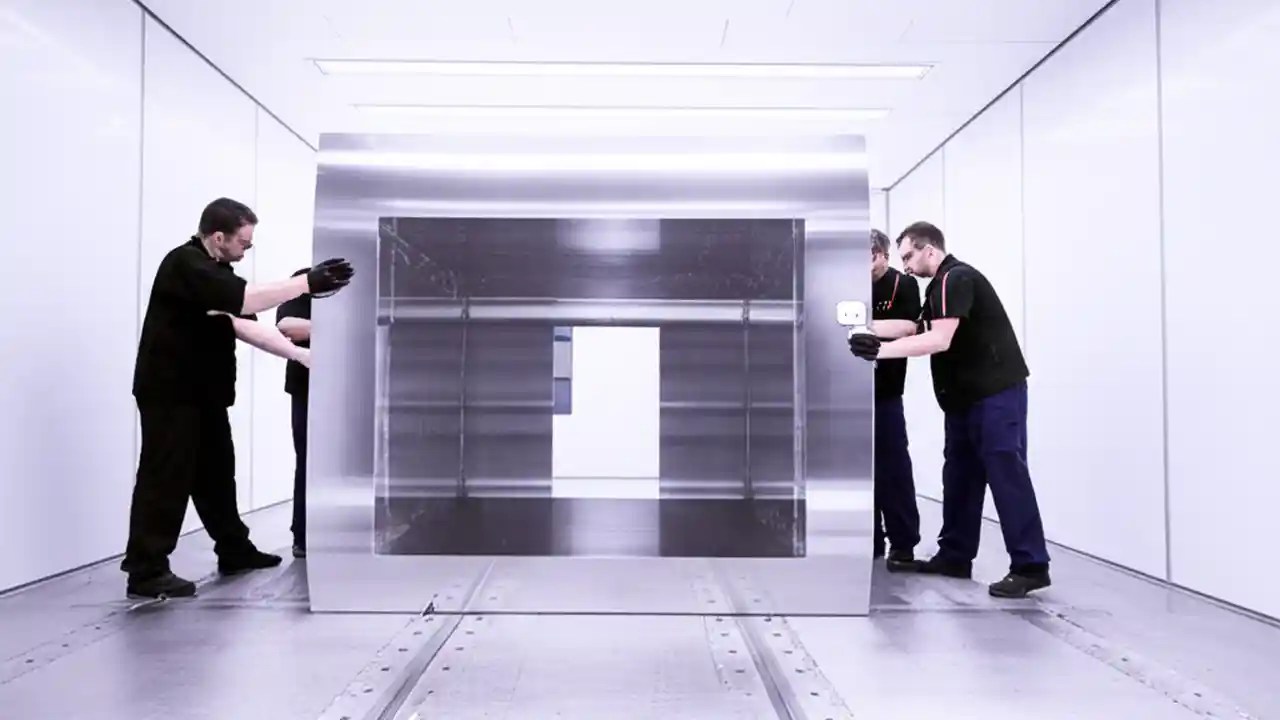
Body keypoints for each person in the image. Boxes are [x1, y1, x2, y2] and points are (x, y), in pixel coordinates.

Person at [123, 197, 354, 599]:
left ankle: (234, 548)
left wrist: (301, 354)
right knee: (166, 477)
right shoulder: (186, 265)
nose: (248, 249)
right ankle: (146, 569)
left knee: (216, 473)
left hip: (203, 394)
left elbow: (246, 325)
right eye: (244, 242)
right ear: (218, 237)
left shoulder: (215, 272)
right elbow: (248, 300)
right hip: (171, 393)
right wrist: (306, 283)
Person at [849, 221, 1050, 598]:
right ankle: (955, 555)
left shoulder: (956, 278)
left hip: (995, 395)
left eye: (908, 255)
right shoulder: (938, 289)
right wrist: (862, 328)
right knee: (959, 477)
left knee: (1006, 472)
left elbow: (938, 340)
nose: (904, 264)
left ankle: (1030, 564)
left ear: (930, 249)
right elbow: (915, 329)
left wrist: (878, 350)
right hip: (963, 402)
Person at [867, 229, 922, 571]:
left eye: (868, 256)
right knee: (859, 468)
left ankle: (902, 542)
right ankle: (870, 538)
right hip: (847, 393)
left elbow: (909, 327)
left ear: (880, 254)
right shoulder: (846, 283)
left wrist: (864, 326)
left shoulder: (903, 285)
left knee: (894, 468)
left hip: (886, 390)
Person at [276, 269, 317, 559]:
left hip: (353, 386)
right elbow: (287, 325)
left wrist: (316, 329)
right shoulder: (305, 279)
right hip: (308, 387)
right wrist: (339, 328)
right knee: (309, 460)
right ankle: (303, 536)